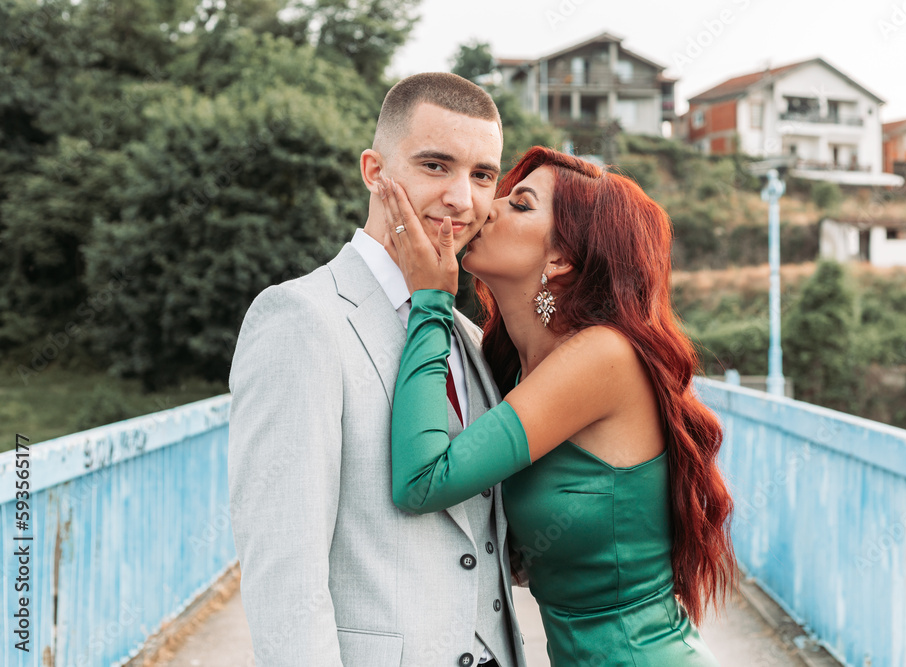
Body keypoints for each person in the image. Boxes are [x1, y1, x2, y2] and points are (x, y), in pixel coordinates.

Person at [380, 146, 739, 666]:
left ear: (561, 258)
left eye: (520, 204)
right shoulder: (522, 369)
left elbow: (423, 481)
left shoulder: (602, 355)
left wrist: (430, 300)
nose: (488, 206)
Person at [228, 72, 527, 667]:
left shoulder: (467, 337)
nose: (462, 199)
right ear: (374, 170)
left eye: (483, 175)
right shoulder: (300, 318)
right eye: (436, 166)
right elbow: (284, 570)